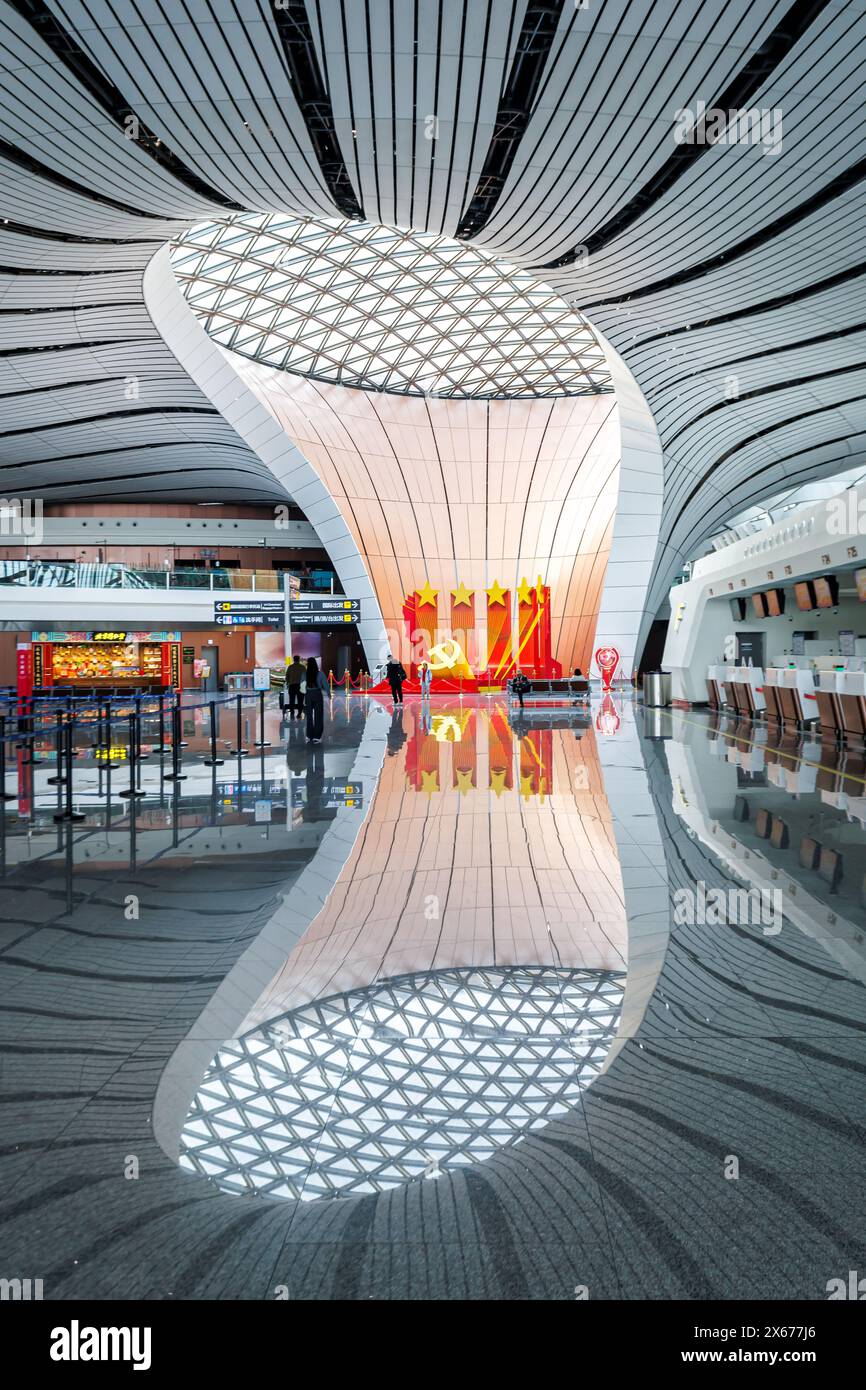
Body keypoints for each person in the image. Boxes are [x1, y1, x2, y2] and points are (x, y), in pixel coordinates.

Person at [304, 656, 328, 743]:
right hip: (317, 694)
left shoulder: (305, 673)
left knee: (309, 715)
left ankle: (309, 735)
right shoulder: (320, 673)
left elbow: (302, 685)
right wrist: (329, 694)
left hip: (308, 694)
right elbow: (325, 684)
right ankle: (317, 736)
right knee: (319, 715)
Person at [284, 654, 305, 719]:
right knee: (300, 700)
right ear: (299, 659)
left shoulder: (290, 667)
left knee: (292, 700)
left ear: (294, 660)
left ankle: (292, 713)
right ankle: (299, 713)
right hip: (300, 686)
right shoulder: (302, 667)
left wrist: (288, 683)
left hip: (292, 686)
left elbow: (287, 676)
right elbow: (305, 677)